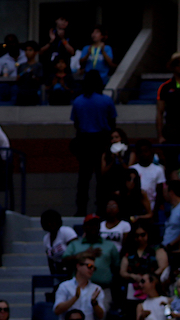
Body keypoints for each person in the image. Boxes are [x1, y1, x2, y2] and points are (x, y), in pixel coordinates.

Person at [70, 71, 116, 216]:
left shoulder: (78, 101)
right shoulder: (106, 101)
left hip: (85, 141)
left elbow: (76, 124)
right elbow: (112, 123)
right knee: (101, 178)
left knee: (83, 179)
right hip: (101, 141)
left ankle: (81, 210)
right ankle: (101, 209)